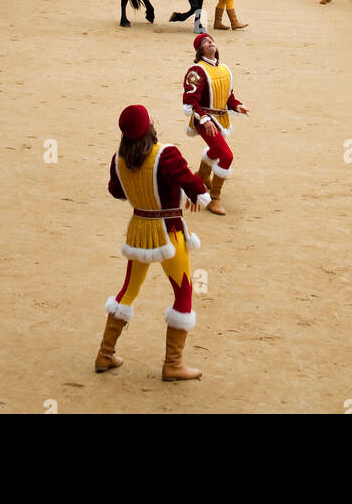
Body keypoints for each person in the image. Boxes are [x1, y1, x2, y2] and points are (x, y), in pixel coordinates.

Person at [95, 104, 210, 381]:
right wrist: (196, 194)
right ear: (150, 128)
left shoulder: (118, 160)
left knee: (128, 291)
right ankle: (173, 363)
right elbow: (189, 180)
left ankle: (104, 353)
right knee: (183, 292)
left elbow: (115, 190)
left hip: (138, 232)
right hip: (169, 232)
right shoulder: (166, 154)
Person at [182, 33, 248, 215]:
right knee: (226, 156)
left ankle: (202, 175)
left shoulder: (224, 69)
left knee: (217, 151)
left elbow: (228, 97)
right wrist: (204, 119)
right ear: (199, 50)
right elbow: (190, 101)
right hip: (204, 121)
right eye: (205, 42)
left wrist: (237, 106)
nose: (210, 42)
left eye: (211, 40)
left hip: (219, 119)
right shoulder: (197, 71)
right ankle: (215, 199)